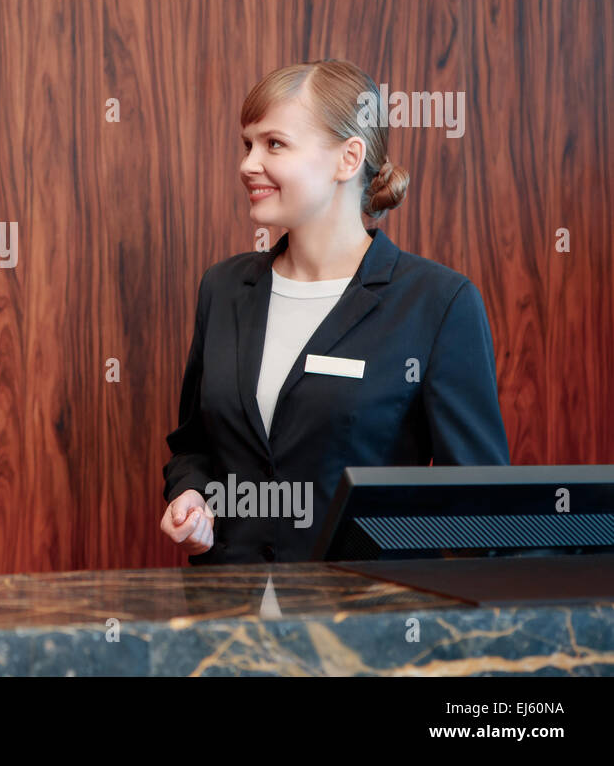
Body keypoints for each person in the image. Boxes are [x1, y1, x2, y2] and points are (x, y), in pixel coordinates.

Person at [160, 59, 509, 563]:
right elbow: (194, 446)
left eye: (274, 144)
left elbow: (483, 510)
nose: (247, 164)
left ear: (348, 159)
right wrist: (191, 495)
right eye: (247, 145)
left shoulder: (438, 302)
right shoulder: (223, 287)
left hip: (362, 623)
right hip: (228, 619)